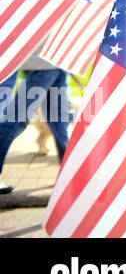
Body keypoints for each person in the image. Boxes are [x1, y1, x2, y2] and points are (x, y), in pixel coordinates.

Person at [0, 49, 71, 195]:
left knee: (60, 122)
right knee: (16, 120)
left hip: (58, 61)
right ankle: (69, 175)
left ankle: (68, 175)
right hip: (43, 60)